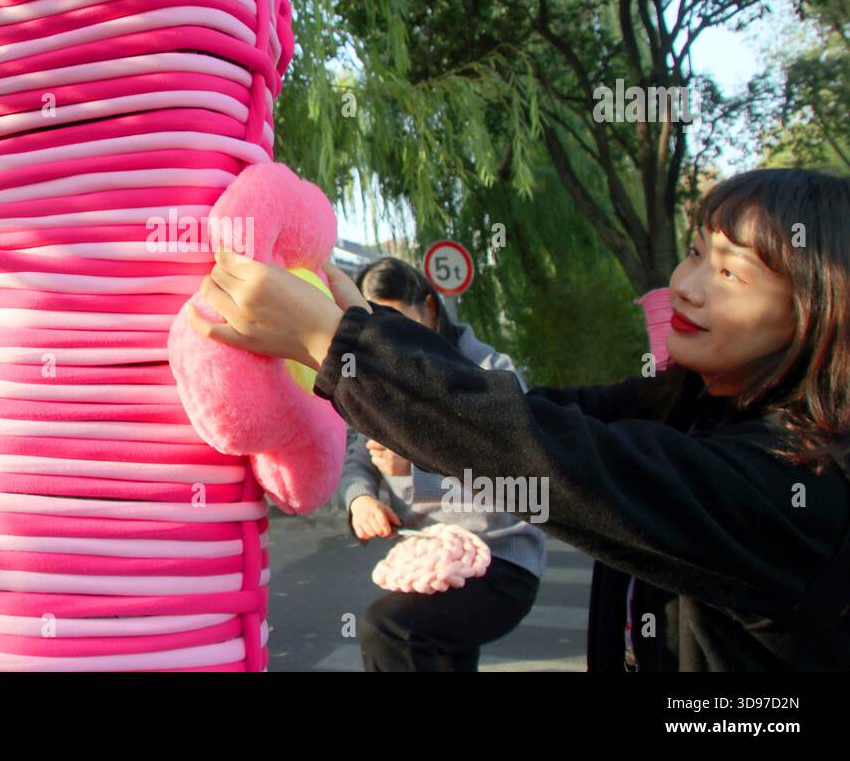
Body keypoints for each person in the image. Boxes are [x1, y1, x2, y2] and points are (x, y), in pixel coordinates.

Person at [187, 168, 850, 670]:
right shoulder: (689, 405)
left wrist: (336, 344)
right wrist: (361, 343)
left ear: (817, 312)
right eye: (698, 252)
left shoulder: (800, 485)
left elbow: (550, 456)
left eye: (731, 272)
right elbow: (527, 416)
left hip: (496, 557)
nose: (686, 284)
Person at [340, 258, 545, 671]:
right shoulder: (381, 380)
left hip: (499, 559)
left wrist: (414, 473)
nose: (386, 340)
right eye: (373, 326)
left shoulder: (490, 373)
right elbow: (355, 458)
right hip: (428, 561)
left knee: (389, 627)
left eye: (395, 321)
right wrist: (360, 499)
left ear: (429, 310)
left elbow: (518, 479)